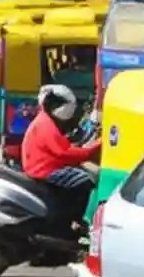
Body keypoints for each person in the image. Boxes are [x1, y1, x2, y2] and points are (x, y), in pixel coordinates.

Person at [22, 85, 100, 216]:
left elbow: (64, 146)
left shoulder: (44, 120)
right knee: (86, 180)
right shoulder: (45, 125)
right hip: (45, 170)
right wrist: (91, 151)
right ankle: (79, 219)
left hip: (43, 167)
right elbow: (63, 152)